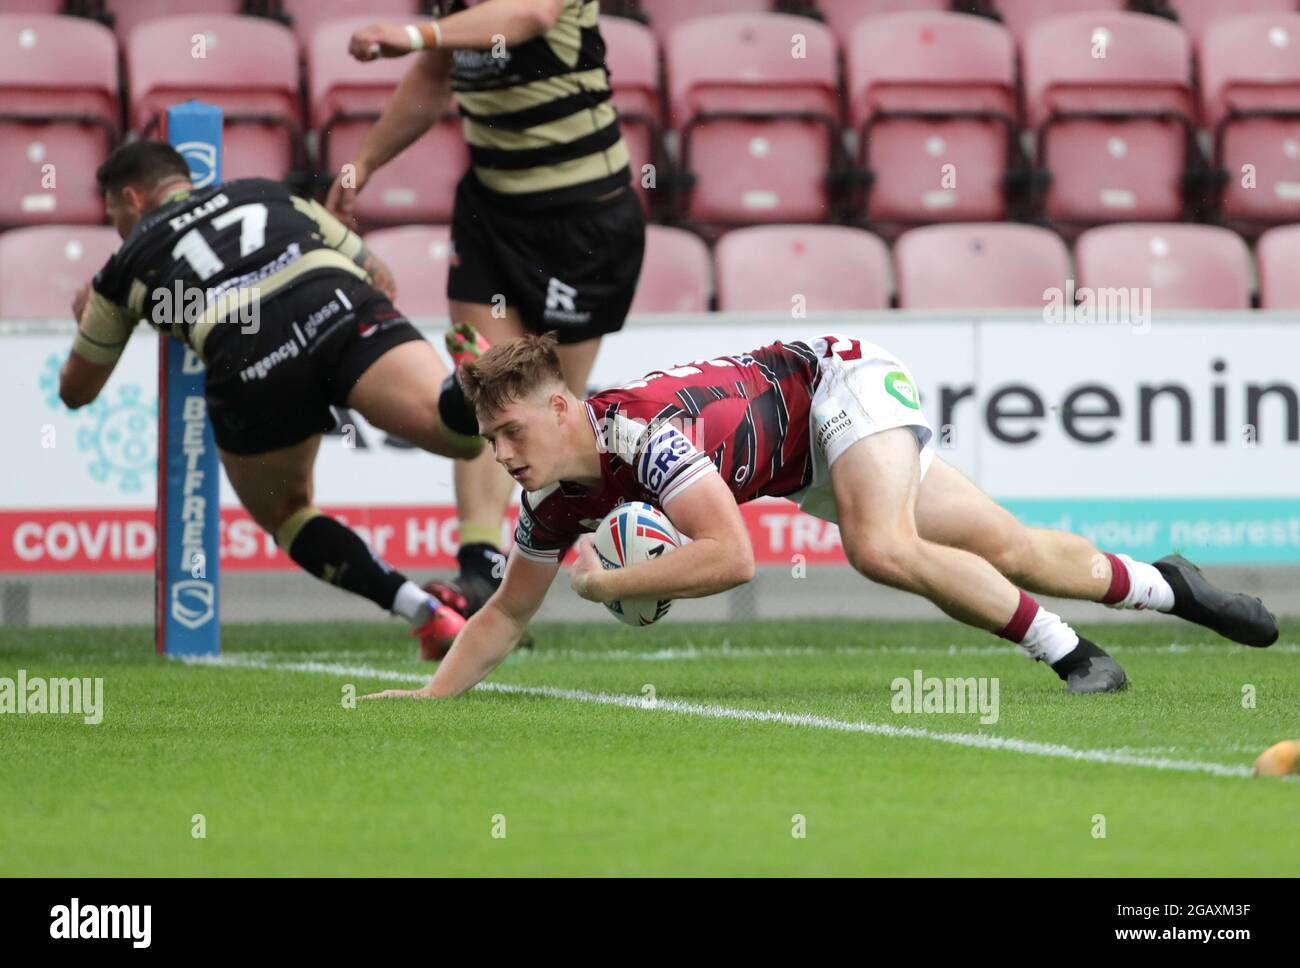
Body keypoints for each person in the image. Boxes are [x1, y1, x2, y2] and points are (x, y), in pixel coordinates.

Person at [364, 329, 1279, 699]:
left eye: (510, 429)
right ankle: (1172, 587)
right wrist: (426, 702)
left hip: (836, 383)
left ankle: (1072, 656)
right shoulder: (553, 499)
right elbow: (505, 615)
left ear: (562, 409)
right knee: (1019, 549)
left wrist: (614, 581)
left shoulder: (640, 436)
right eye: (488, 439)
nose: (501, 453)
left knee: (882, 548)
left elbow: (731, 559)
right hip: (802, 459)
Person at [58, 140, 477, 657]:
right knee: (460, 438)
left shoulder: (123, 267)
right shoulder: (265, 191)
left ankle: (424, 612)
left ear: (133, 200)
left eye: (114, 214)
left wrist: (98, 311)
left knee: (287, 512)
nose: (117, 226)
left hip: (247, 351)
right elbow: (381, 276)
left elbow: (77, 392)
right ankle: (468, 384)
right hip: (336, 300)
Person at [327, 0, 646, 625]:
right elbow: (433, 76)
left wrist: (415, 35)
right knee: (491, 391)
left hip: (585, 221)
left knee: (552, 414)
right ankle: (480, 573)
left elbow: (528, 16)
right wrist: (364, 161)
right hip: (492, 216)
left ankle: (564, 562)